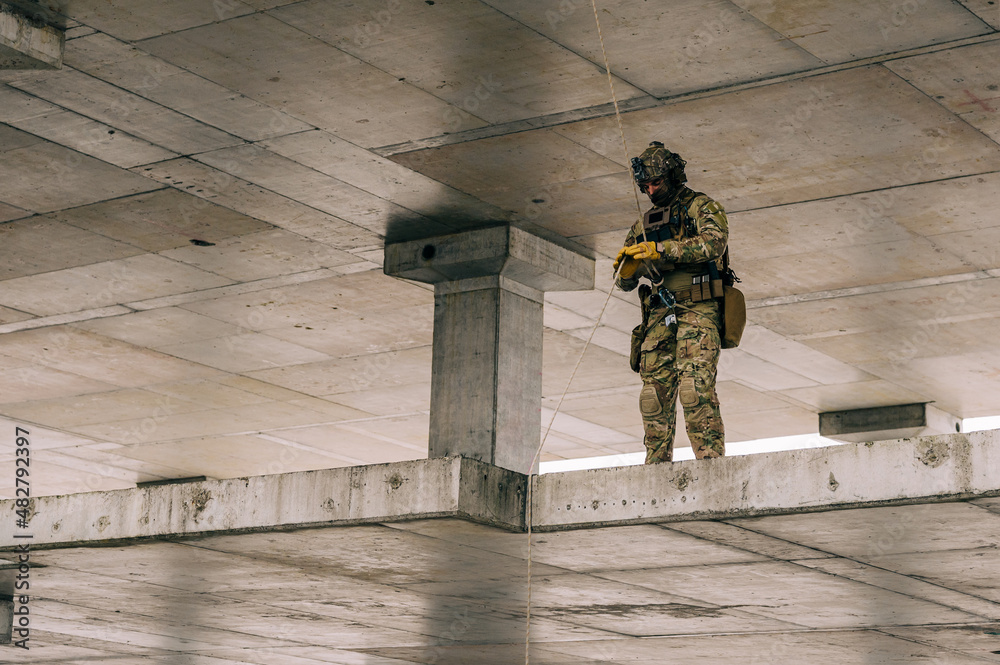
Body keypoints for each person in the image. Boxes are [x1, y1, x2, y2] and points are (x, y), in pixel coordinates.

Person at [613, 141, 728, 463]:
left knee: (694, 387)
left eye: (656, 183)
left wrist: (664, 250)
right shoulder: (642, 223)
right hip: (660, 313)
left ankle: (710, 463)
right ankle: (656, 466)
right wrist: (628, 268)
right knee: (652, 396)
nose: (650, 190)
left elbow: (714, 244)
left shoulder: (700, 206)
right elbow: (622, 282)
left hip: (697, 304)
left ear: (673, 176)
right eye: (644, 185)